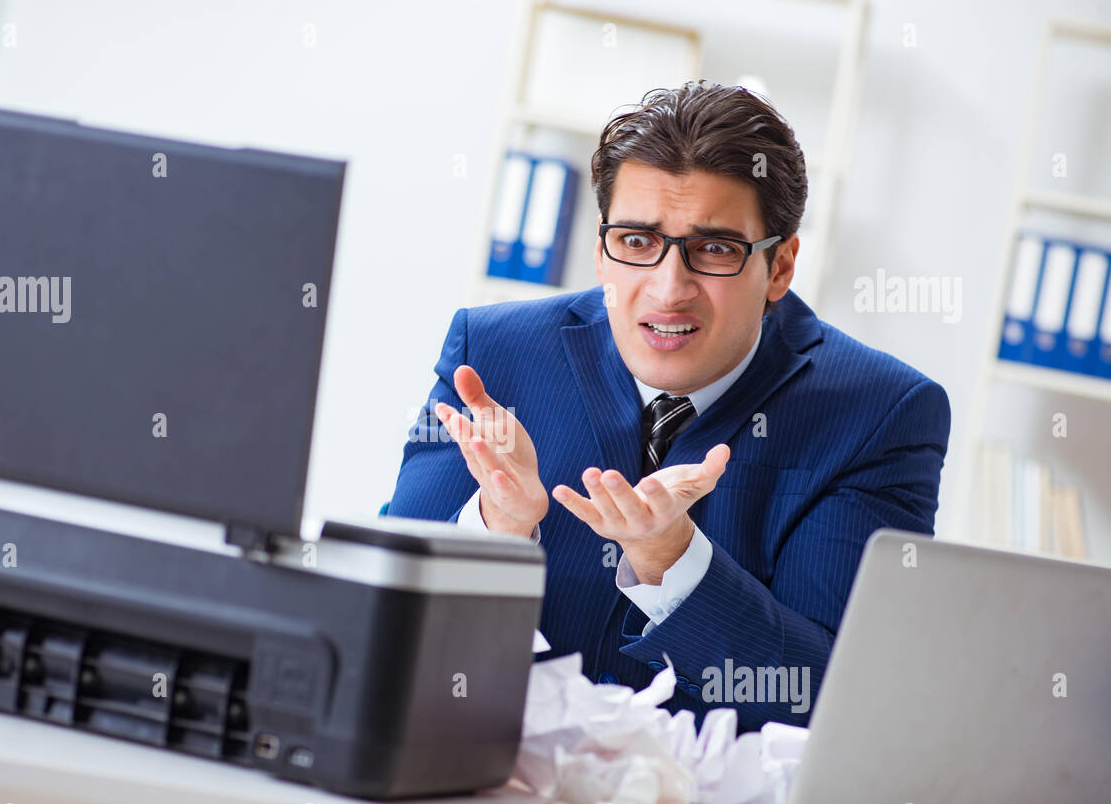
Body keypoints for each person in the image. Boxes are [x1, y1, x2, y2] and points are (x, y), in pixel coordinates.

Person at [385, 81, 950, 731]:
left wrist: (676, 565)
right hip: (482, 776)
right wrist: (493, 528)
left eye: (714, 248)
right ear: (601, 251)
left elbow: (830, 701)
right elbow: (378, 606)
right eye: (636, 241)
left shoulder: (881, 414)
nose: (668, 288)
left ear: (781, 266)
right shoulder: (492, 353)